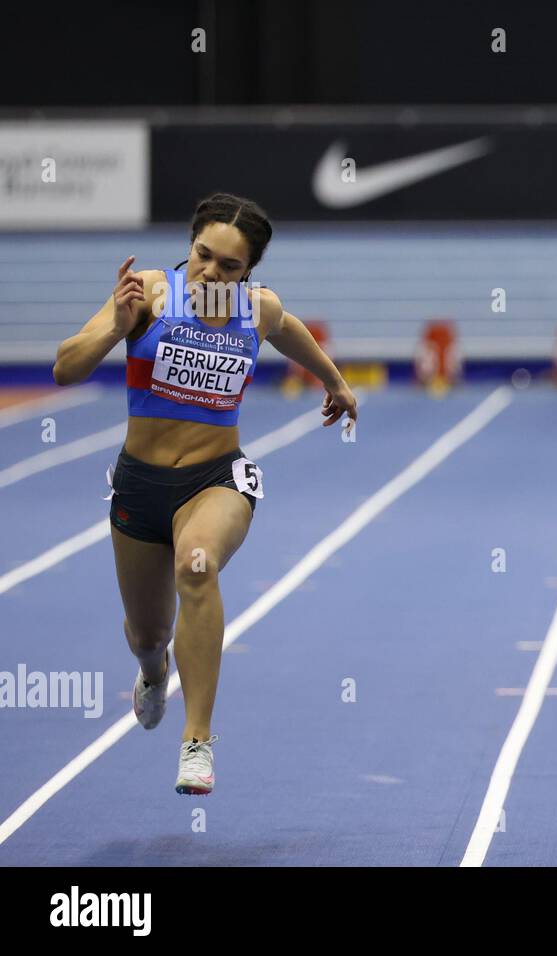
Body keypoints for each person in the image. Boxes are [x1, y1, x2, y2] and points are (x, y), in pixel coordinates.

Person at [52, 193, 358, 795]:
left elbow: (289, 330)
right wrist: (116, 327)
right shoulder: (146, 294)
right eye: (203, 256)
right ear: (189, 245)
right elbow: (66, 367)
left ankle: (196, 741)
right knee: (147, 633)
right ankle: (150, 668)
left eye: (229, 267)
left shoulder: (256, 310)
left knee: (198, 565)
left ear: (250, 273)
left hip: (215, 480)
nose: (211, 274)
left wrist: (336, 382)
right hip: (141, 483)